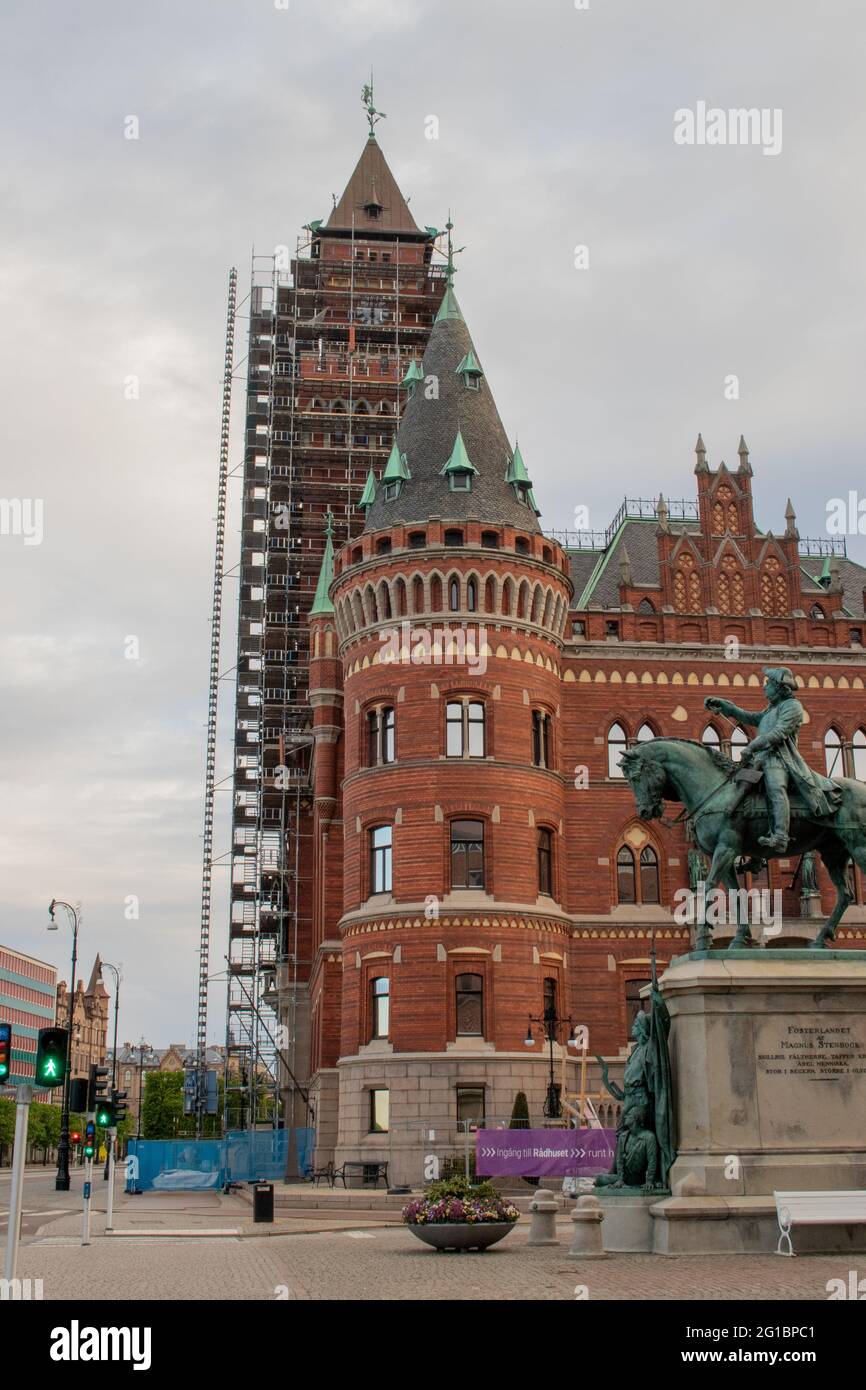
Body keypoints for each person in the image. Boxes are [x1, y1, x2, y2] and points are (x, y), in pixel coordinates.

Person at [705, 666, 841, 854]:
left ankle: (780, 836)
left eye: (767, 684)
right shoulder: (771, 709)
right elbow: (750, 718)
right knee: (737, 790)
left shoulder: (792, 707)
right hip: (761, 760)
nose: (764, 687)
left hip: (780, 760)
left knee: (776, 789)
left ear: (778, 687)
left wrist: (752, 746)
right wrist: (726, 706)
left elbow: (779, 733)